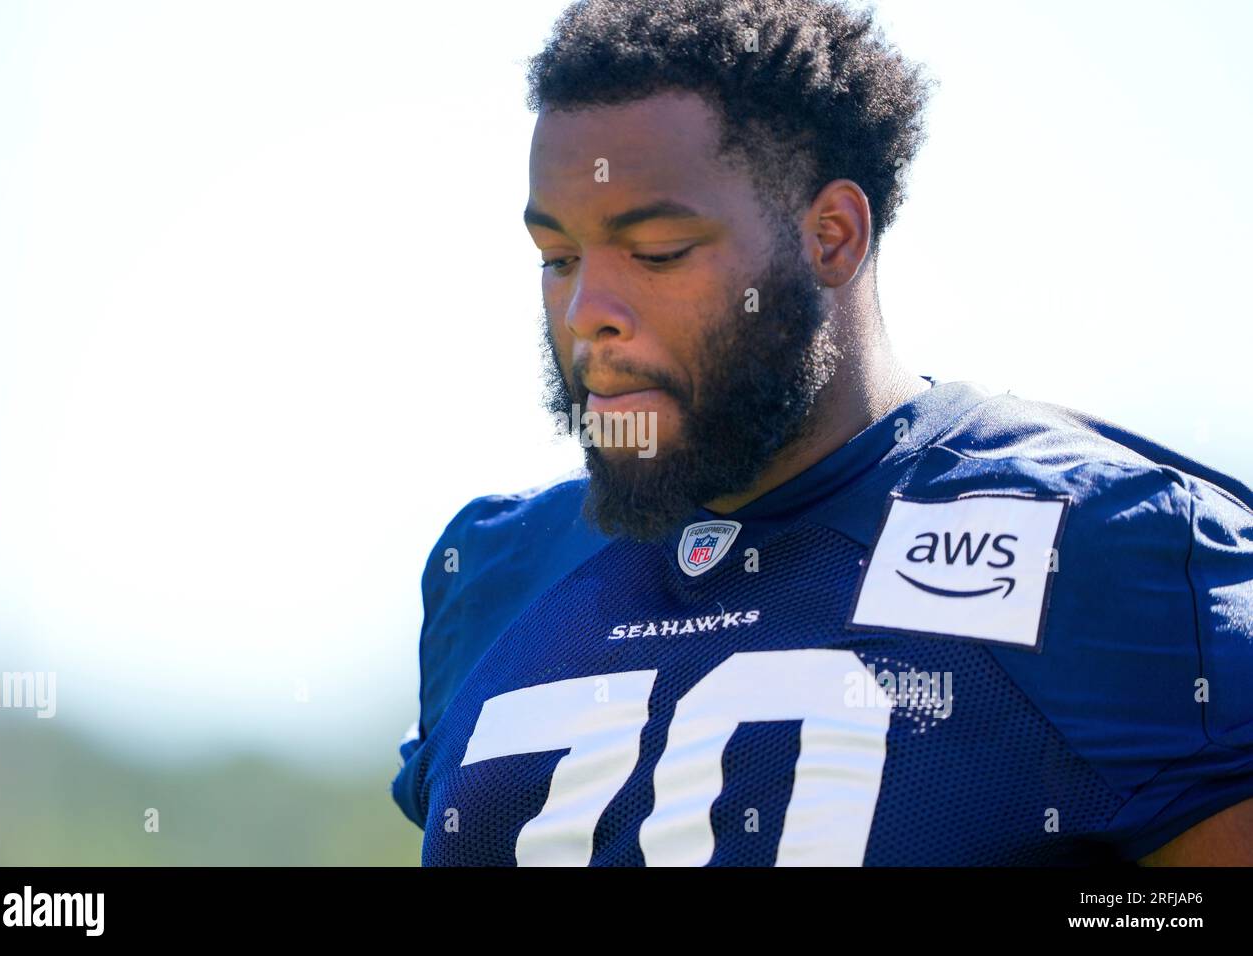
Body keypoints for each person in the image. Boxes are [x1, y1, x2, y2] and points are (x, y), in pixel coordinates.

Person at [391, 0, 1253, 865]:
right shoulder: (496, 571)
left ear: (830, 237)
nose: (588, 317)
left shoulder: (1109, 544)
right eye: (559, 258)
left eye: (655, 253)